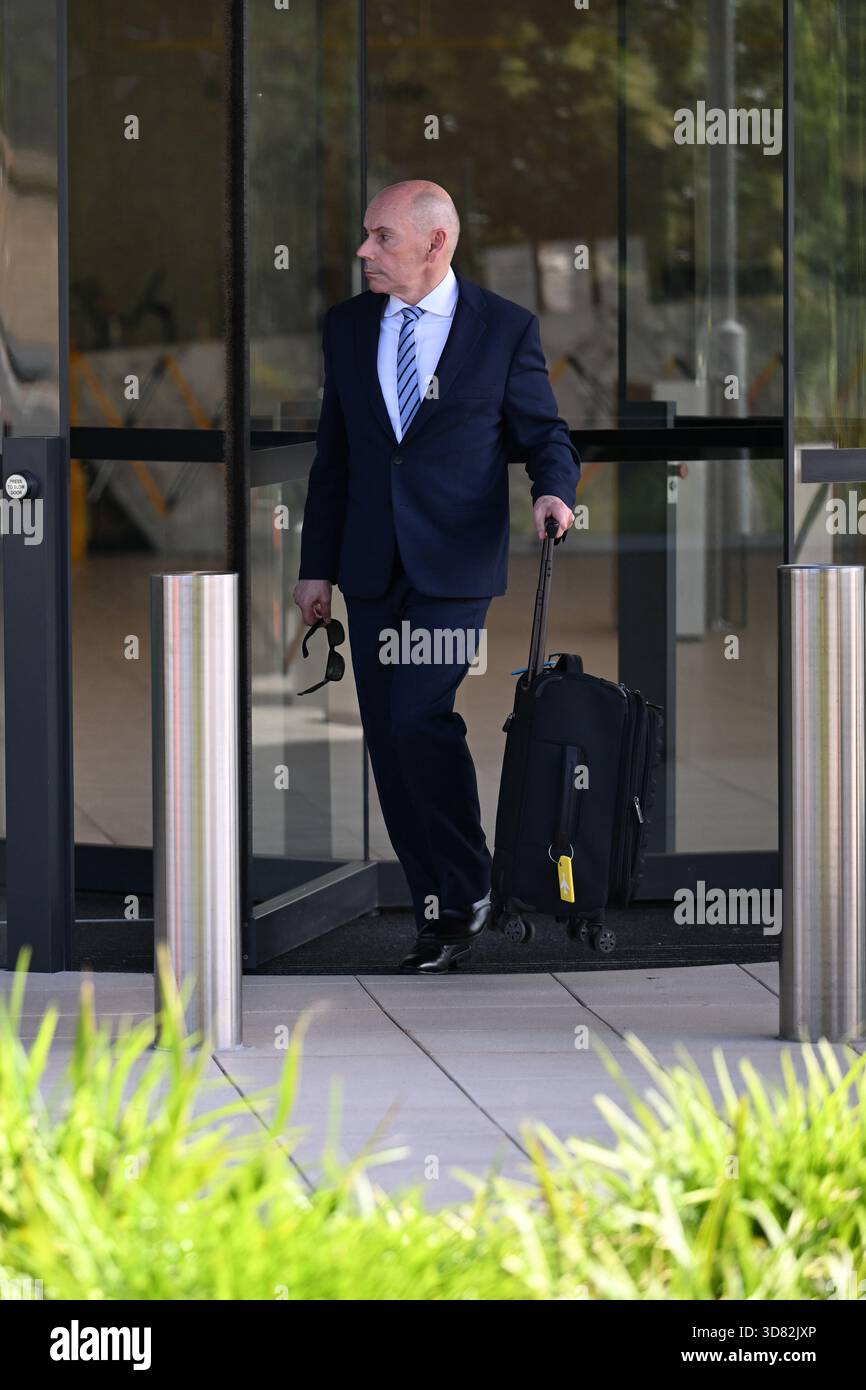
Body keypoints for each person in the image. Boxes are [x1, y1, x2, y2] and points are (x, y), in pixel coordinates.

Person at [293, 179, 580, 972]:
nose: (364, 252)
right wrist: (315, 569)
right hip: (370, 567)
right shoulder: (348, 328)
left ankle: (465, 889)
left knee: (420, 715)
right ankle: (439, 908)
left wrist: (554, 489)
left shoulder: (503, 330)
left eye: (382, 237)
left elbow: (544, 431)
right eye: (366, 235)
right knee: (388, 739)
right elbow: (335, 458)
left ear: (435, 242)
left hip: (452, 566)